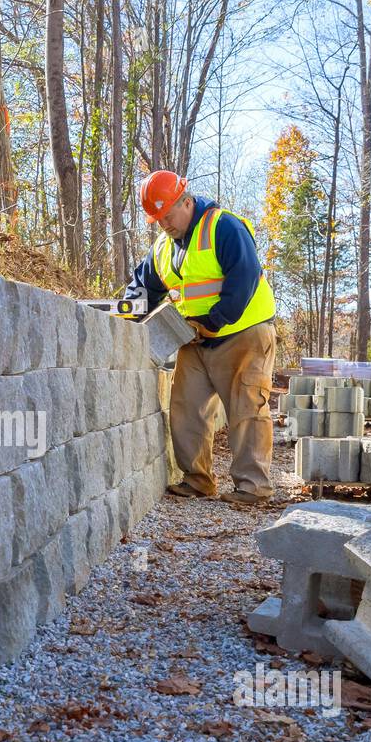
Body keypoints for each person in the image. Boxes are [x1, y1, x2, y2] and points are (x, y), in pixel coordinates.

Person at [124, 169, 277, 503]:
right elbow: (143, 287)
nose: (165, 224)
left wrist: (215, 321)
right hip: (195, 338)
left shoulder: (224, 227)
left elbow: (244, 279)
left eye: (169, 215)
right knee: (185, 408)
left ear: (187, 201)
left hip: (243, 333)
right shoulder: (163, 249)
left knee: (246, 409)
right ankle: (198, 481)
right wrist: (121, 314)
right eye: (158, 219)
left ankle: (253, 487)